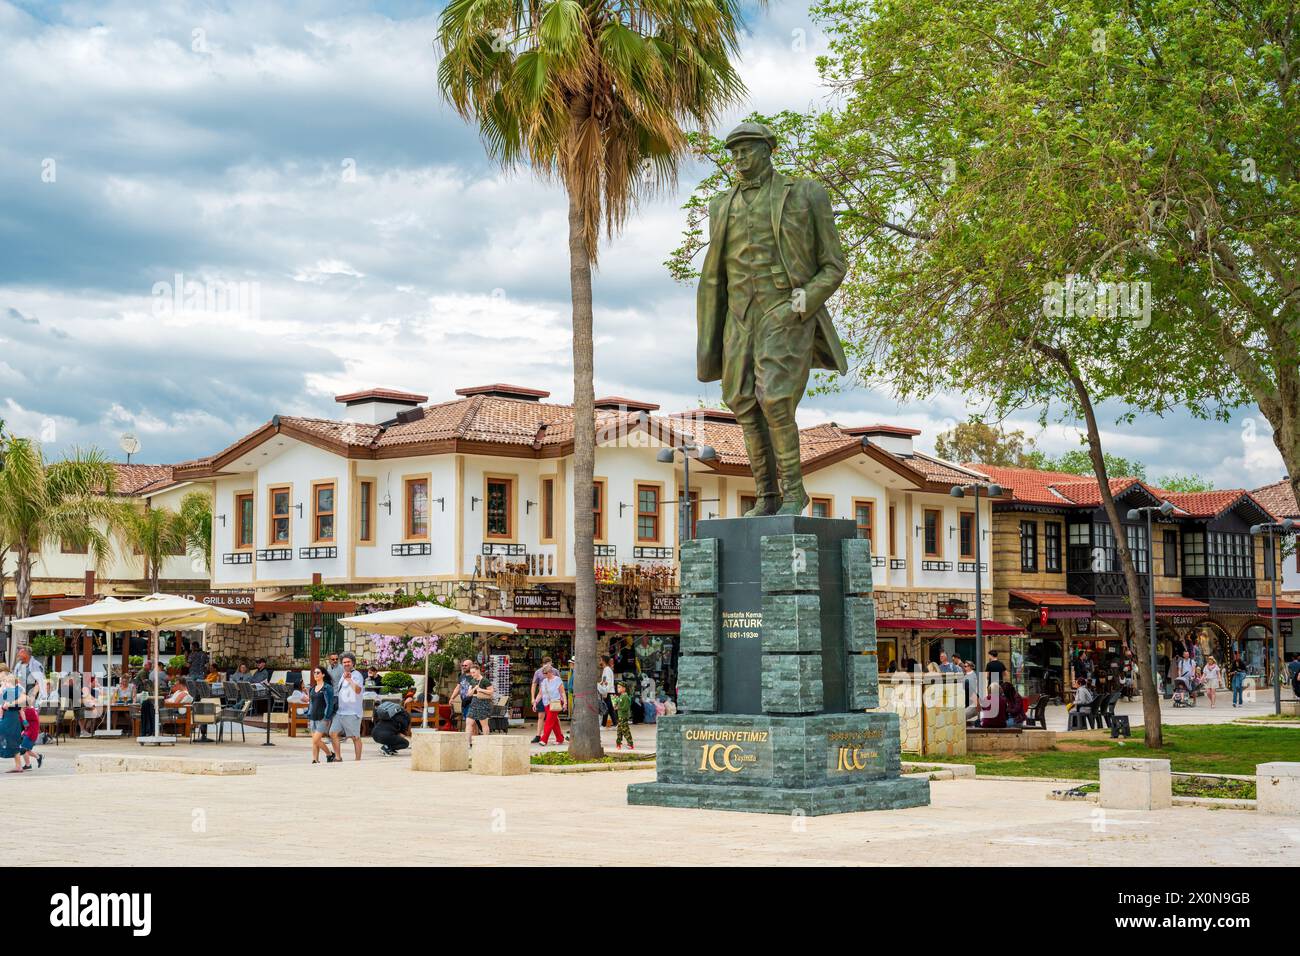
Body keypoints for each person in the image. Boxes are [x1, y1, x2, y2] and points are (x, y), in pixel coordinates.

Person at [330, 652, 365, 762]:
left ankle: (357, 760)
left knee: (355, 737)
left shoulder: (357, 675)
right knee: (333, 733)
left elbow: (358, 690)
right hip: (341, 712)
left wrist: (349, 680)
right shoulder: (343, 674)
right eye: (344, 662)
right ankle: (338, 757)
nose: (346, 664)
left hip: (352, 712)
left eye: (348, 662)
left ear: (353, 663)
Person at [307, 666, 336, 763]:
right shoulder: (312, 688)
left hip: (323, 718)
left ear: (323, 674)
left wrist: (327, 718)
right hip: (313, 717)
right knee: (315, 741)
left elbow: (330, 704)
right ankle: (315, 759)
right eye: (314, 673)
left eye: (318, 672)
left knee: (316, 740)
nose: (315, 674)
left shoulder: (327, 688)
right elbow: (311, 703)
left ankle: (330, 754)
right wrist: (309, 715)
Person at [0, 672, 28, 773]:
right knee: (12, 739)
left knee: (6, 737)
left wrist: (9, 703)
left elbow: (4, 704)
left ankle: (18, 765)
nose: (3, 683)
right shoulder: (15, 691)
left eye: (5, 681)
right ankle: (18, 765)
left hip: (9, 718)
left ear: (8, 682)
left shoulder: (11, 691)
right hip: (13, 718)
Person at [535, 664, 566, 746]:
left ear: (550, 672)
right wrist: (535, 702)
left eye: (545, 673)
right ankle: (560, 738)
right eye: (543, 674)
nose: (544, 675)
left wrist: (565, 702)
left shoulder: (557, 680)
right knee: (554, 722)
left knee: (548, 721)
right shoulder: (544, 681)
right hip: (546, 703)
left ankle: (544, 739)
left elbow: (562, 692)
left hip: (555, 702)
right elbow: (540, 694)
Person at [464, 662, 494, 737]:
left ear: (478, 671)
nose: (472, 674)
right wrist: (474, 688)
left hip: (483, 704)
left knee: (484, 724)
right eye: (471, 673)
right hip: (474, 703)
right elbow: (469, 694)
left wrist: (480, 689)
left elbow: (491, 692)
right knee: (468, 723)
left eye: (474, 672)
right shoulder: (472, 681)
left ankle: (486, 741)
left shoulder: (485, 680)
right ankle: (468, 742)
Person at [530, 655, 555, 743]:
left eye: (550, 665)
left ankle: (558, 735)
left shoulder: (555, 671)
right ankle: (538, 735)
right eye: (547, 665)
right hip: (542, 695)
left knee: (554, 716)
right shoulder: (538, 672)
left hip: (553, 696)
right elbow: (534, 685)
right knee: (541, 715)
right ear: (543, 664)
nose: (549, 667)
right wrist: (533, 698)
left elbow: (560, 683)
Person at [449, 659, 475, 732]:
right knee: (471, 722)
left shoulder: (474, 676)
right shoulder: (462, 676)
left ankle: (471, 738)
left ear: (471, 666)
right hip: (464, 702)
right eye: (463, 665)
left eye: (465, 665)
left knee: (470, 721)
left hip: (472, 701)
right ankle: (473, 739)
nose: (464, 667)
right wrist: (452, 698)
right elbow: (458, 688)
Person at [613, 681, 634, 751]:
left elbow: (626, 707)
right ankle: (618, 743)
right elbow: (618, 704)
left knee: (625, 730)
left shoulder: (625, 697)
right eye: (617, 687)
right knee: (619, 730)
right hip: (620, 716)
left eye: (619, 687)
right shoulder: (621, 696)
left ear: (624, 689)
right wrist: (615, 701)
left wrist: (618, 707)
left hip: (623, 716)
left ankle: (630, 744)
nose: (617, 689)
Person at [597, 655, 616, 728]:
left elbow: (607, 681)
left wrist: (605, 691)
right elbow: (604, 681)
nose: (600, 661)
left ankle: (603, 725)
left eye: (600, 660)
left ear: (603, 661)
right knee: (609, 709)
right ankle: (614, 724)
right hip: (609, 691)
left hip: (608, 692)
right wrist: (600, 684)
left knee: (606, 708)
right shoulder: (606, 669)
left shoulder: (607, 670)